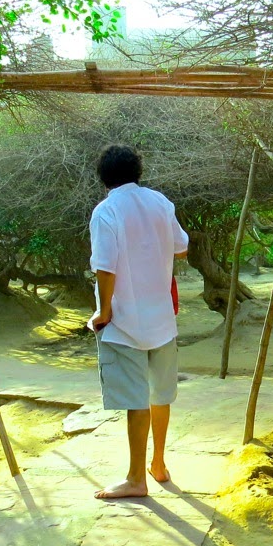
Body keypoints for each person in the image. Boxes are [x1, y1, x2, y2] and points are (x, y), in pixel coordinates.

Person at [87, 145, 189, 499]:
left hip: (126, 320)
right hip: (162, 316)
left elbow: (105, 266)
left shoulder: (106, 211)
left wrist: (104, 312)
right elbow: (182, 247)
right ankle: (158, 464)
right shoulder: (160, 202)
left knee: (136, 401)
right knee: (160, 394)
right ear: (138, 171)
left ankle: (135, 479)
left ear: (103, 178)